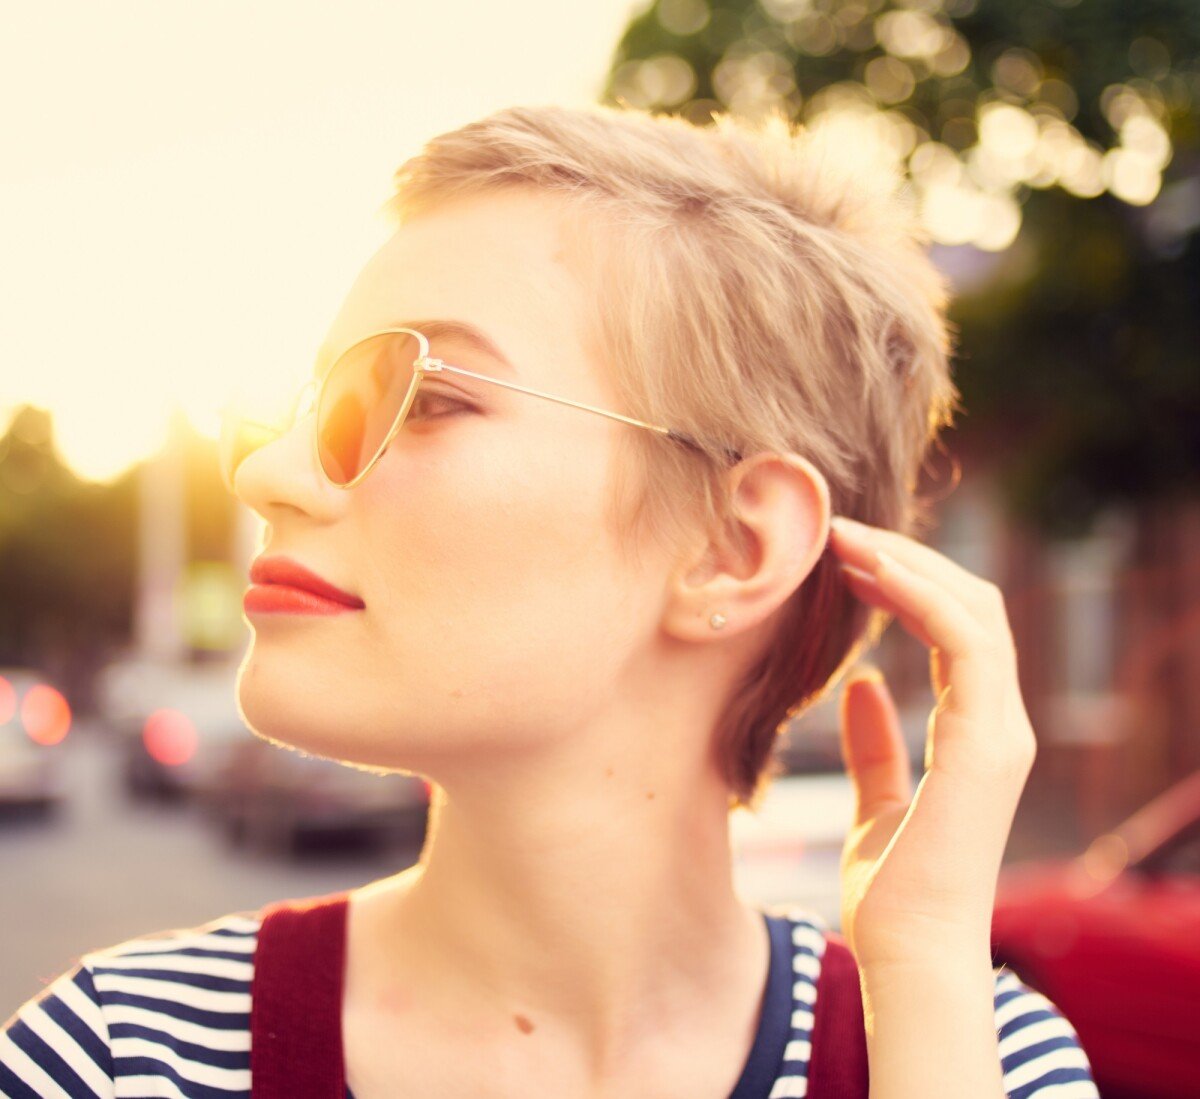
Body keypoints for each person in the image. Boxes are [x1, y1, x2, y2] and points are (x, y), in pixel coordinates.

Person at [1, 102, 1099, 1098]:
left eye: (424, 399)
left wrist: (922, 987)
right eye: (320, 402)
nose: (267, 474)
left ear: (731, 545)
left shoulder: (980, 1054)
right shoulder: (113, 1058)